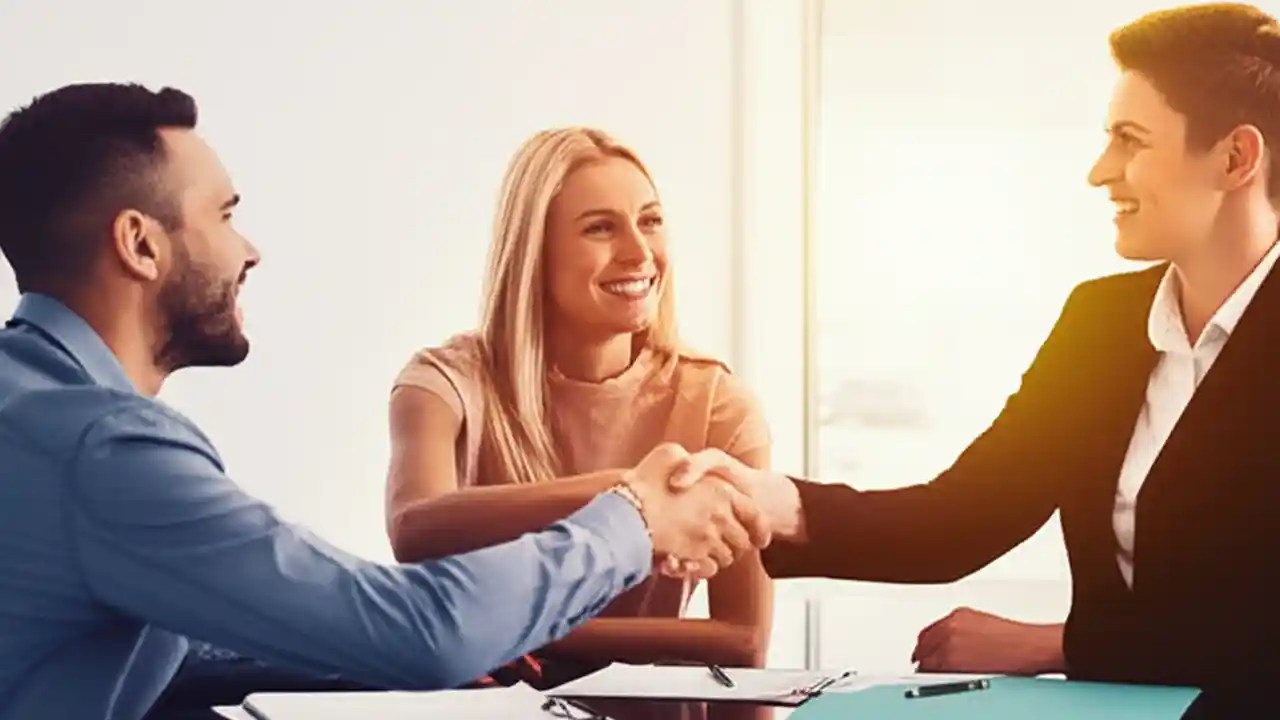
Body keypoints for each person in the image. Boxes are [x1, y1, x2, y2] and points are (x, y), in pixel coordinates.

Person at [0, 83, 768, 720]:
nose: (250, 249)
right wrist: (631, 514)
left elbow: (171, 649)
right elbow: (422, 627)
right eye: (226, 215)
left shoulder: (29, 404)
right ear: (139, 244)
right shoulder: (105, 449)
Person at [669, 1, 1280, 693]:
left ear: (1235, 157)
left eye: (1131, 140)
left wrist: (1052, 646)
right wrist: (775, 502)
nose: (1099, 170)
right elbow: (966, 514)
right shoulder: (1102, 321)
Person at [384, 128, 773, 698]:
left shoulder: (718, 405)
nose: (640, 253)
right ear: (533, 251)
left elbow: (743, 643)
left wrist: (512, 631)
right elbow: (414, 527)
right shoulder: (444, 385)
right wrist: (628, 496)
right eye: (600, 228)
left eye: (650, 220)